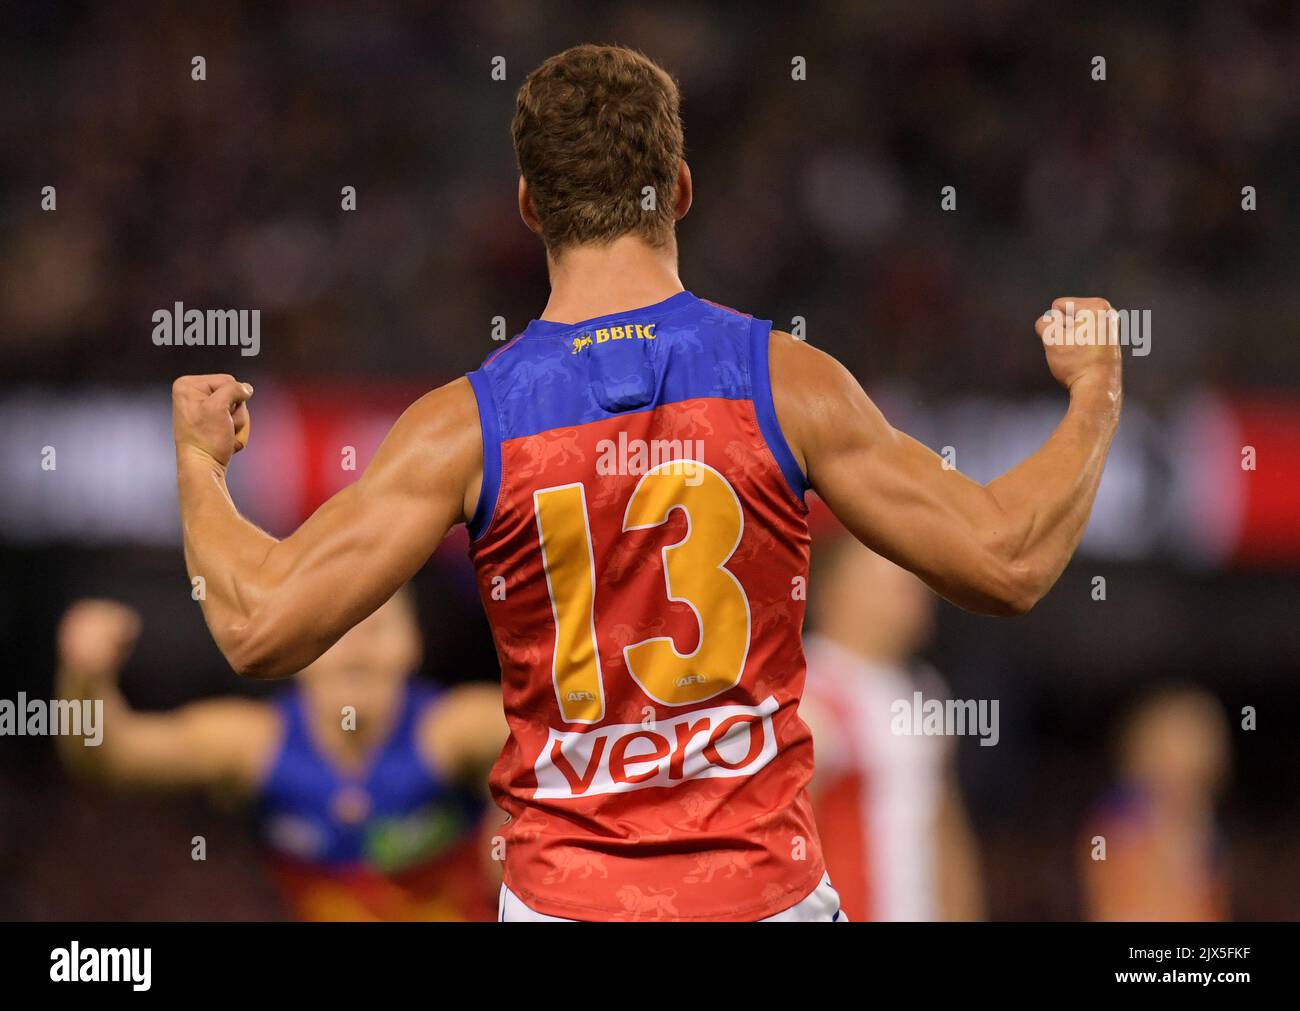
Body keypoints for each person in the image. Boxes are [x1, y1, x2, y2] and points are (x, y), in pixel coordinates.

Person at [168, 44, 1122, 921]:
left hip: (566, 901)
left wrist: (203, 465)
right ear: (680, 188)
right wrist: (1094, 393)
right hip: (762, 898)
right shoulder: (788, 384)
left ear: (531, 207)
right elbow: (1009, 557)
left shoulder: (463, 426)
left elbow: (259, 627)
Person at [55, 592, 504, 921]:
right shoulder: (251, 746)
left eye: (375, 626)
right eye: (333, 631)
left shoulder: (460, 732)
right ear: (297, 650)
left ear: (411, 644)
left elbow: (564, 736)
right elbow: (111, 758)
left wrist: (510, 813)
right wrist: (83, 676)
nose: (355, 648)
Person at [803, 538, 985, 921]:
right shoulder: (809, 690)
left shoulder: (925, 690)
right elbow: (785, 841)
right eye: (893, 586)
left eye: (914, 585)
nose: (914, 599)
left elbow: (946, 834)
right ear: (836, 593)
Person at [1082, 687, 1231, 921]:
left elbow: (1209, 903)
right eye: (1176, 762)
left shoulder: (1201, 822)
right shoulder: (1119, 819)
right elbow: (1119, 904)